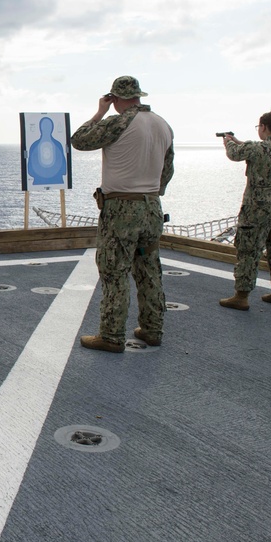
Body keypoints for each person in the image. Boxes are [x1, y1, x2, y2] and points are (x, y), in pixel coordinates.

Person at [70, 76, 174, 353]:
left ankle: (111, 335)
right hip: (152, 206)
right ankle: (153, 329)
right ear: (139, 95)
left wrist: (100, 111)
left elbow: (79, 140)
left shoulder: (118, 122)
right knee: (149, 269)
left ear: (115, 97)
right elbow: (167, 170)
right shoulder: (163, 124)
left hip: (121, 209)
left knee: (115, 271)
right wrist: (151, 192)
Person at [219, 111, 271, 310]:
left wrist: (228, 142)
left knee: (249, 249)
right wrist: (239, 141)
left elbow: (234, 154)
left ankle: (241, 296)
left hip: (258, 207)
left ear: (263, 126)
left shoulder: (256, 148)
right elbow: (263, 150)